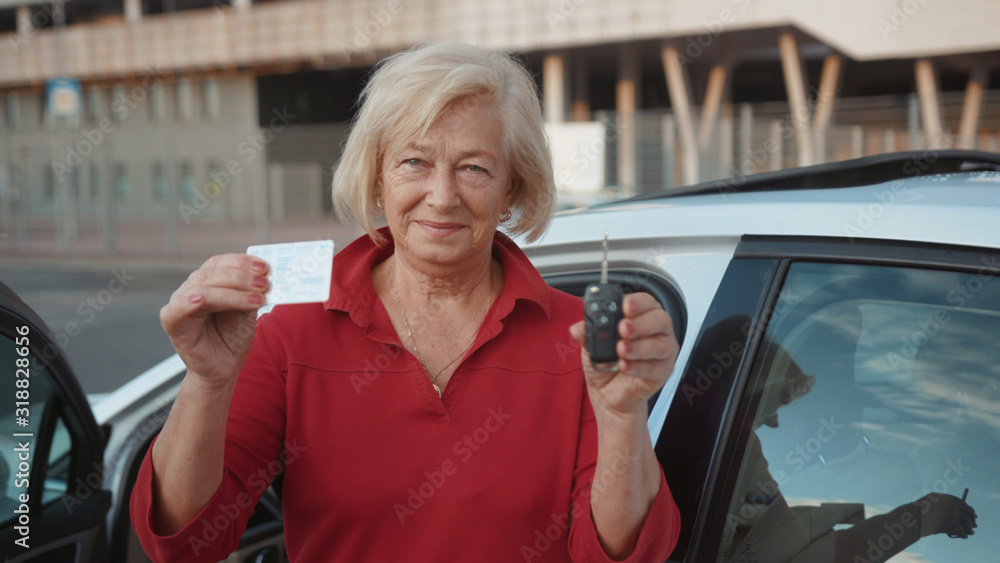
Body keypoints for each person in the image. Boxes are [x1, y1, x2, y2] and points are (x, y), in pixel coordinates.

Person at [130, 42, 681, 562]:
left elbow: (615, 554)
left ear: (512, 187)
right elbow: (186, 543)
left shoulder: (582, 341)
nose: (442, 196)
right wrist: (206, 382)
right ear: (377, 178)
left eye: (474, 168)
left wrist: (622, 419)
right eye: (414, 162)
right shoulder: (291, 332)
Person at [723, 342, 978, 562]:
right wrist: (921, 518)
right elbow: (800, 556)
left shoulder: (720, 438)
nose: (775, 422)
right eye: (783, 401)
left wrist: (838, 514)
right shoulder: (737, 449)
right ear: (752, 386)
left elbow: (771, 531)